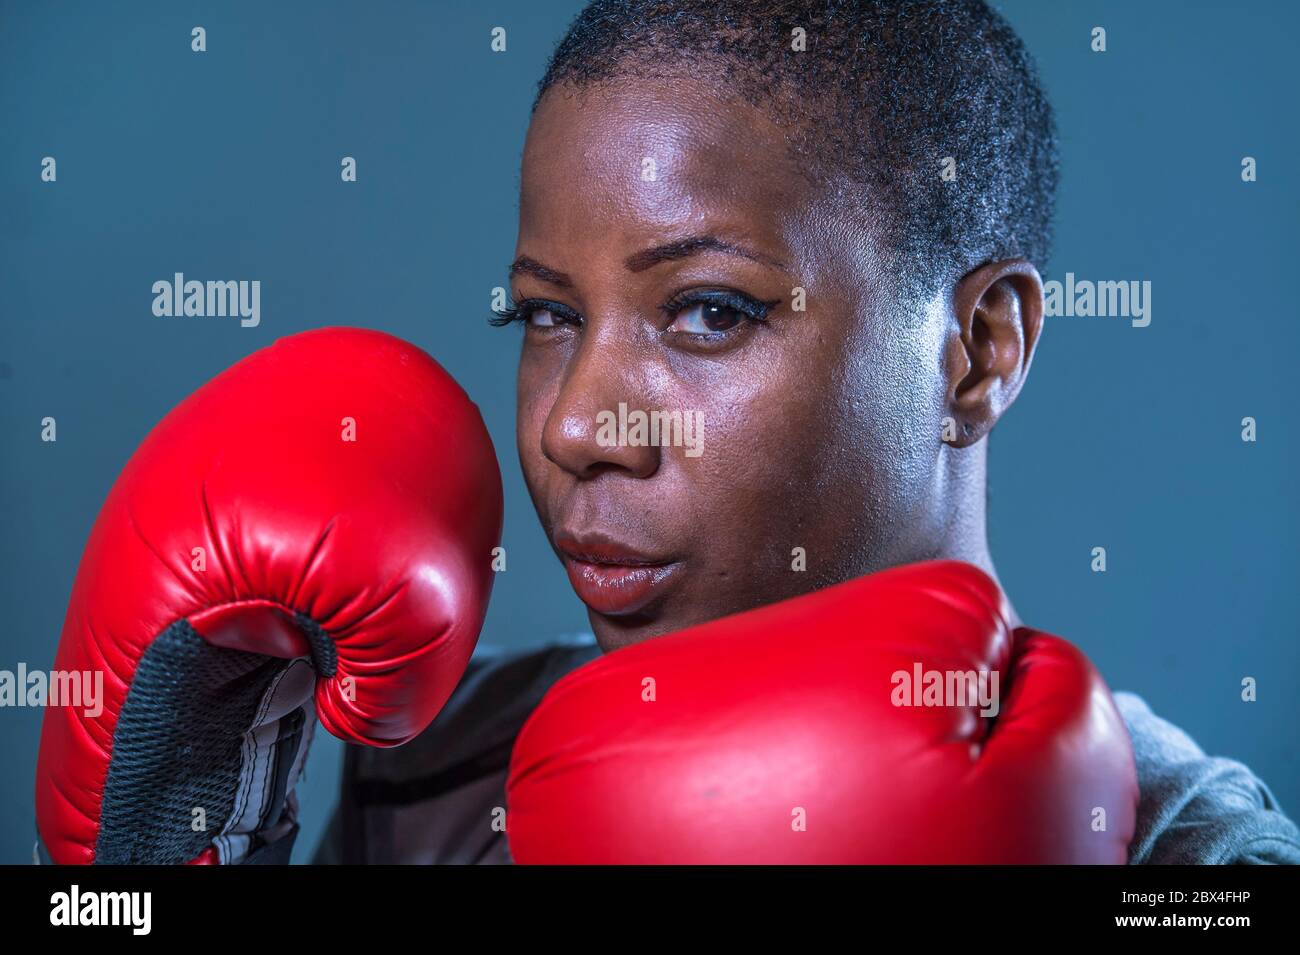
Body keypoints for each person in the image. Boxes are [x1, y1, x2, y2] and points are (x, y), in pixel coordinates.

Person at [312, 0, 1299, 864]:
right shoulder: (435, 766)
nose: (576, 427)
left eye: (710, 310)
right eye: (546, 315)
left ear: (980, 350)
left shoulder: (1191, 856)